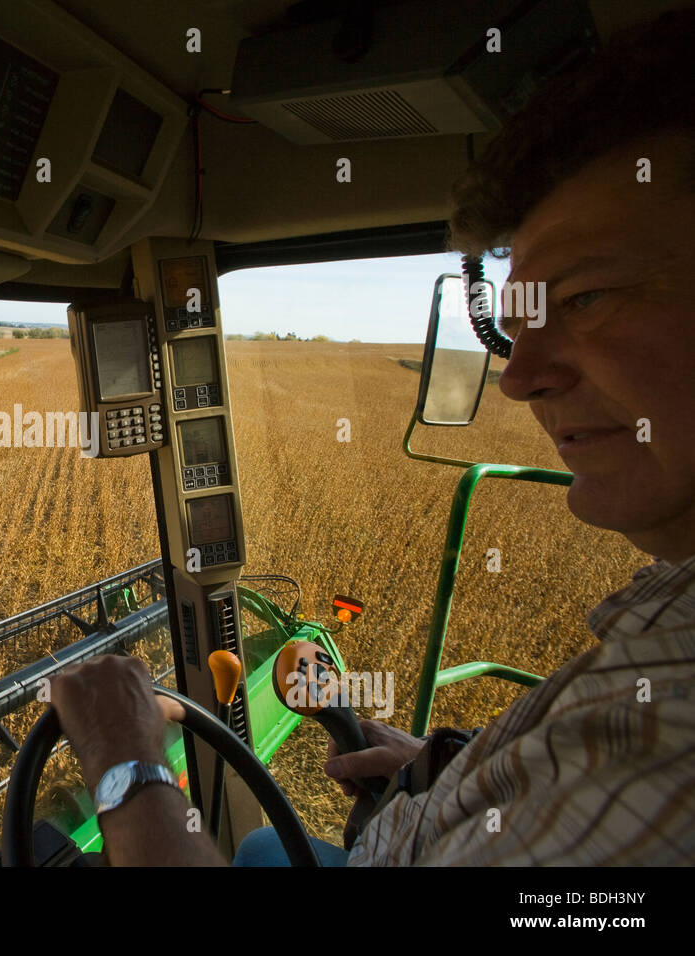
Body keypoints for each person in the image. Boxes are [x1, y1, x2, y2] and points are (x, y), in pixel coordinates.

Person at [50, 8, 695, 866]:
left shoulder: (663, 762)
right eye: (516, 324)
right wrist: (453, 776)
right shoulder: (667, 627)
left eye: (583, 298)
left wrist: (126, 765)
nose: (519, 374)